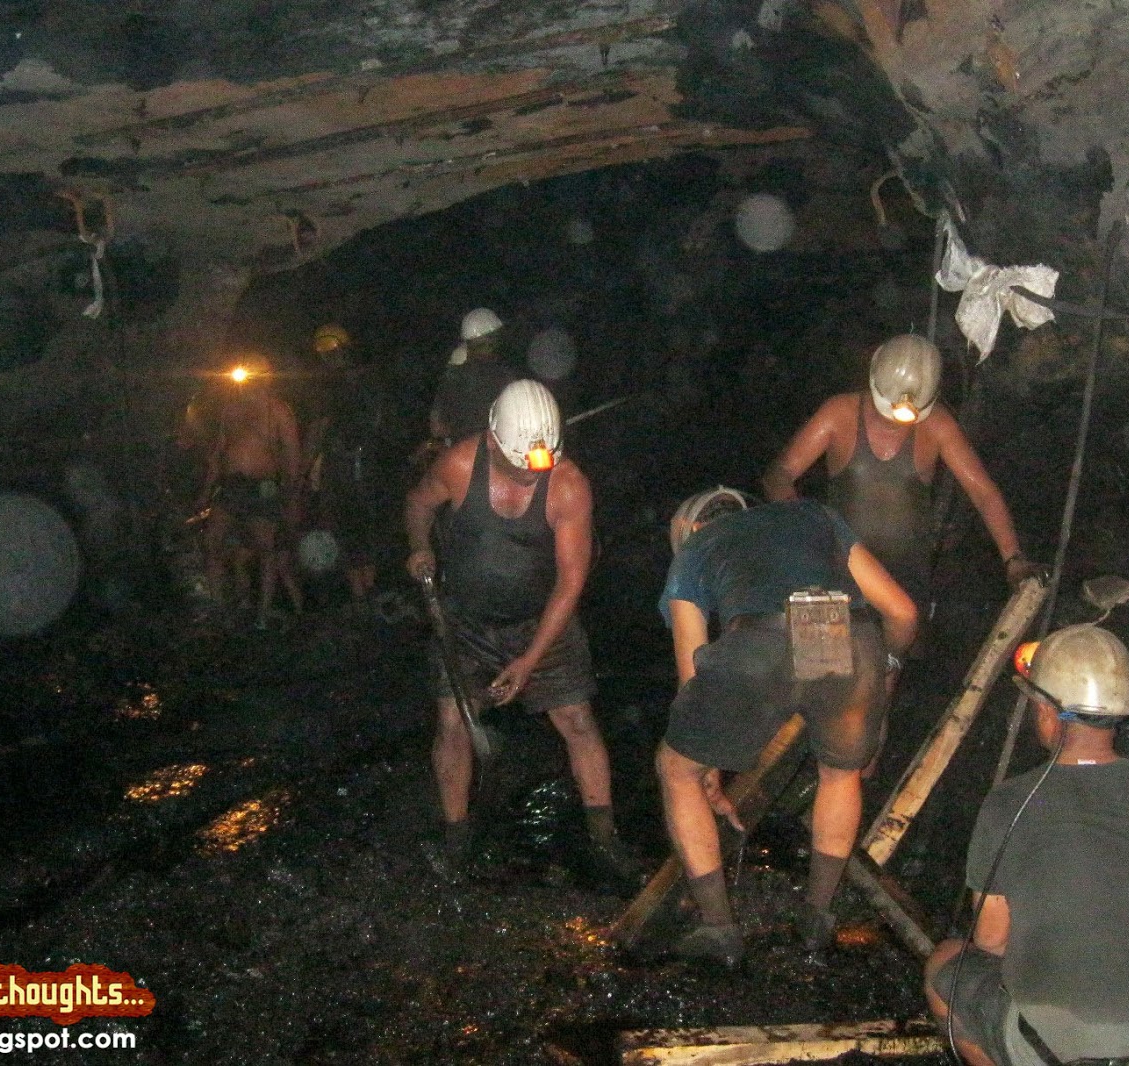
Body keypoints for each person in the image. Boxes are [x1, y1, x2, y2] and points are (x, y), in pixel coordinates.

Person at [924, 624, 1129, 1066]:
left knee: (944, 963)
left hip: (1049, 1052)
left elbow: (992, 939)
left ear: (1045, 711)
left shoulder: (1009, 802)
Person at [656, 488, 918, 967]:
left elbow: (692, 670)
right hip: (845, 631)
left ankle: (719, 930)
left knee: (676, 770)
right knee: (839, 773)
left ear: (691, 529)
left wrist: (705, 758)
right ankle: (817, 917)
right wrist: (884, 671)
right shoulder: (811, 514)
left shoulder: (695, 550)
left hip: (763, 639)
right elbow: (903, 612)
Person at [405, 379, 638, 887]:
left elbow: (571, 582)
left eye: (541, 466)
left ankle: (604, 833)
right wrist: (419, 546)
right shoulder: (460, 465)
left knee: (577, 720)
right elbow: (418, 506)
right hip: (464, 622)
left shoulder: (569, 485)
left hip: (541, 620)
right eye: (519, 467)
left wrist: (529, 661)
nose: (533, 478)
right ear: (492, 441)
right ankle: (457, 838)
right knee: (452, 723)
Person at [763, 334, 1039, 607]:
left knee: (902, 634)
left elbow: (983, 493)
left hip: (906, 578)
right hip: (841, 570)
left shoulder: (938, 426)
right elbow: (781, 472)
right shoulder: (840, 413)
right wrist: (799, 522)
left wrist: (1013, 558)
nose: (896, 421)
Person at [195, 355, 306, 626]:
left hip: (262, 489)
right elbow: (218, 454)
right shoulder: (231, 409)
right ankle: (218, 608)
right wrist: (206, 491)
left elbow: (292, 456)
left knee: (267, 548)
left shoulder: (277, 411)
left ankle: (263, 614)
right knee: (212, 542)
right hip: (232, 488)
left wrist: (290, 495)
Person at [301, 322, 385, 618]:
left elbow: (320, 427)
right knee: (348, 529)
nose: (328, 359)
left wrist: (304, 465)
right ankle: (361, 597)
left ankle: (368, 595)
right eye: (324, 354)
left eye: (332, 352)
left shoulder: (358, 382)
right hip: (344, 464)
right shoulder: (334, 384)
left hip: (357, 464)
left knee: (359, 528)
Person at [428, 307, 520, 445]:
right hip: (486, 449)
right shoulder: (499, 374)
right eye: (491, 340)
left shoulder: (455, 370)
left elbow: (437, 427)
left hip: (464, 447)